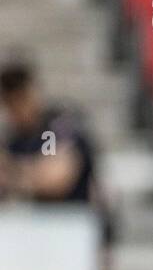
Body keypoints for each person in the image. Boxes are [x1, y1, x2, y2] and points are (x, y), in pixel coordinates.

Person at [0, 58, 96, 205]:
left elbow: (54, 178)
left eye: (21, 97)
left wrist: (14, 169)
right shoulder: (14, 139)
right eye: (11, 101)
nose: (17, 107)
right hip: (35, 222)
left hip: (73, 218)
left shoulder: (55, 126)